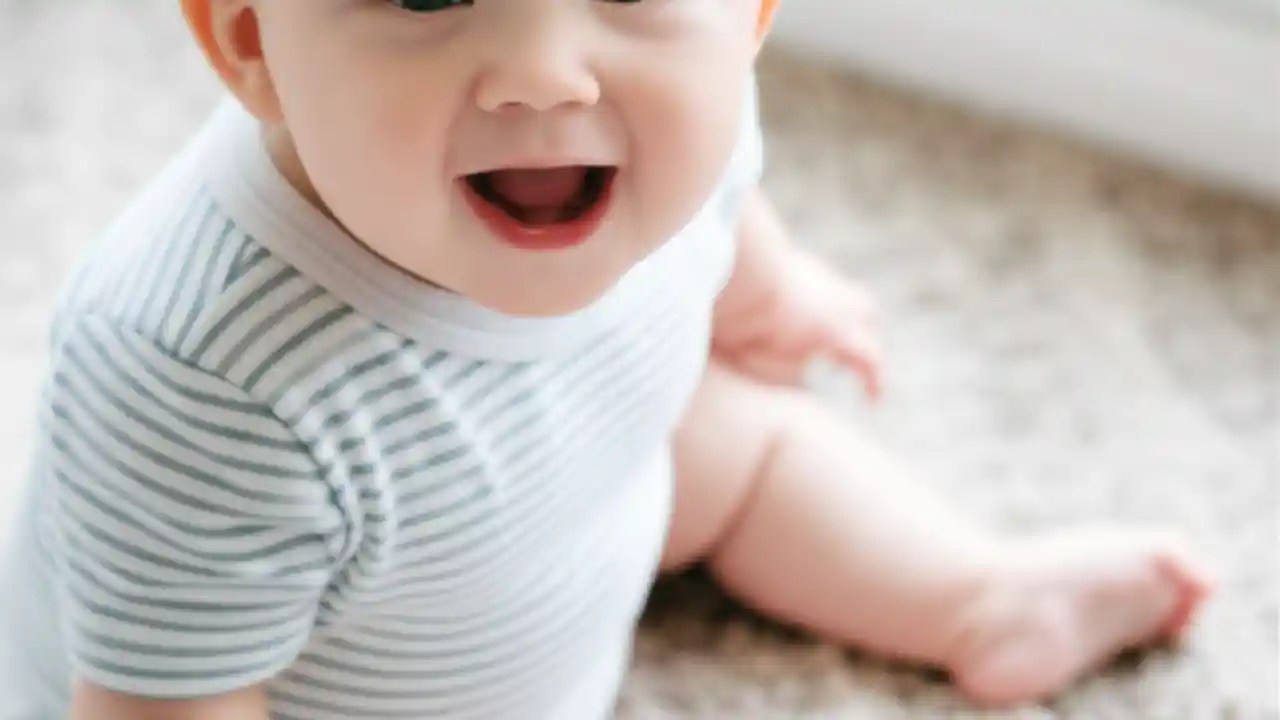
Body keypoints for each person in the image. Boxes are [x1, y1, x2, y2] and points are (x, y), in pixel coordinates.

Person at [0, 1, 1213, 717]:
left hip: (586, 492)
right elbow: (166, 705)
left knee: (752, 437)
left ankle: (976, 596)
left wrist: (771, 292)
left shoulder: (691, 115)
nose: (541, 72)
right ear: (248, 36)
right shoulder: (204, 381)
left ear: (747, 15)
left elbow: (726, 207)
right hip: (357, 661)